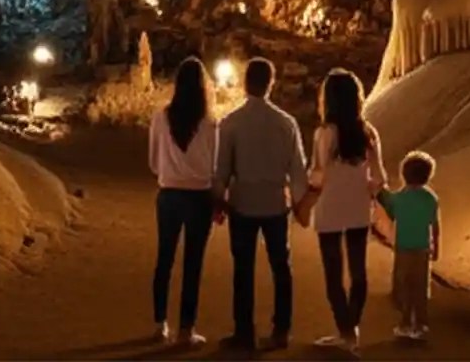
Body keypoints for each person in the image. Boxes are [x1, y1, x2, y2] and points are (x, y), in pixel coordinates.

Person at [214, 58, 307, 351]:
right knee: (281, 267)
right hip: (275, 204)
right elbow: (298, 169)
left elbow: (222, 170)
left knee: (243, 269)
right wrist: (298, 201)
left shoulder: (231, 123)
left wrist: (219, 200)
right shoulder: (286, 123)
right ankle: (281, 329)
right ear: (271, 83)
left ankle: (245, 331)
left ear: (245, 83)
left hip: (243, 203)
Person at [307, 68, 387, 352]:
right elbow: (379, 178)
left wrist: (307, 184)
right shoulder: (367, 133)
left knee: (333, 273)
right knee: (358, 272)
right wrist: (366, 189)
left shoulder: (325, 134)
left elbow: (318, 176)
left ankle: (345, 331)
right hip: (357, 210)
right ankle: (351, 330)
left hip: (330, 210)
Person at [149, 57, 219, 347]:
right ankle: (186, 329)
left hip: (169, 195)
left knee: (164, 258)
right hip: (199, 196)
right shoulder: (211, 123)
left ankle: (159, 323)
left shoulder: (161, 117)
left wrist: (170, 172)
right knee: (193, 262)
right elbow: (216, 165)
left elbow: (153, 161)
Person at [376, 151, 441, 341]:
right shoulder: (431, 198)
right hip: (422, 250)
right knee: (420, 288)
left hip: (403, 250)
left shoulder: (400, 197)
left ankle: (405, 323)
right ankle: (420, 324)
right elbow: (435, 226)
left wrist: (378, 186)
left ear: (404, 174)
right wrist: (436, 247)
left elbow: (386, 204)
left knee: (404, 286)